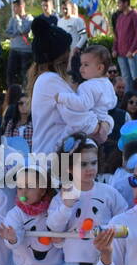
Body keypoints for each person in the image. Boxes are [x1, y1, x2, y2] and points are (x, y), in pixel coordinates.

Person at [46, 135, 125, 265]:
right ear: (68, 168)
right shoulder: (61, 195)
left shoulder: (108, 192)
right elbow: (53, 226)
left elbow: (124, 217)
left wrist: (109, 230)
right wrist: (66, 205)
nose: (90, 169)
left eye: (93, 163)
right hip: (75, 258)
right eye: (83, 164)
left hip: (103, 257)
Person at [28, 17, 109, 161]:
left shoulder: (50, 80)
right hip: (51, 161)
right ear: (64, 55)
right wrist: (104, 125)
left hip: (54, 159)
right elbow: (81, 119)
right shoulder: (49, 81)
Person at [53, 44, 117, 133]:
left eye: (86, 65)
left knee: (66, 134)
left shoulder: (87, 85)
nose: (81, 68)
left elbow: (82, 104)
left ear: (99, 68)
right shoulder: (108, 83)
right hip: (103, 120)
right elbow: (113, 102)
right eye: (81, 64)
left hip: (89, 126)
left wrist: (62, 97)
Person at [112, 0, 137, 86]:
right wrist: (114, 48)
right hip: (121, 54)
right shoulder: (120, 17)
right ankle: (128, 99)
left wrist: (132, 50)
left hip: (132, 54)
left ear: (126, 3)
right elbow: (116, 35)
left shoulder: (135, 15)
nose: (118, 5)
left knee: (136, 78)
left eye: (119, 3)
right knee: (126, 79)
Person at [5, 0, 34, 89]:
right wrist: (18, 33)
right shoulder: (12, 19)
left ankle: (25, 93)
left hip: (25, 51)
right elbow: (8, 32)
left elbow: (24, 30)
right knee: (10, 73)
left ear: (21, 6)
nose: (13, 9)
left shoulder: (29, 18)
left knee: (24, 74)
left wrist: (18, 21)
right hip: (14, 50)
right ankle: (11, 92)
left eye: (15, 7)